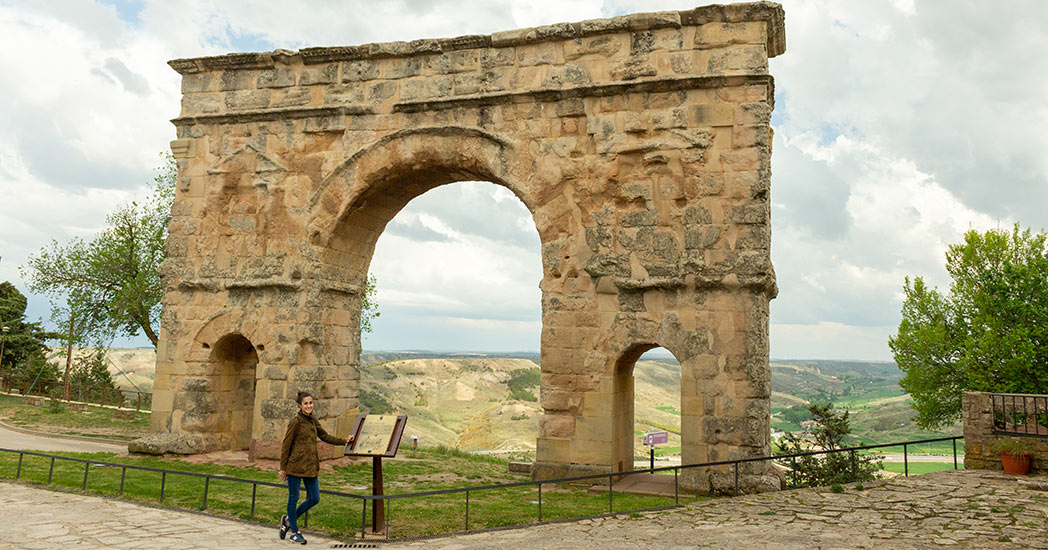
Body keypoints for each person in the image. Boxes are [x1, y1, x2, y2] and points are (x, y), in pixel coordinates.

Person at [278, 391, 352, 544]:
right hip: (295, 466)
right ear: (300, 405)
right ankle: (295, 532)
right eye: (306, 403)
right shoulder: (295, 422)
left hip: (311, 467)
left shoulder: (313, 421)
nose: (309, 406)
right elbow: (286, 445)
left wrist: (344, 441)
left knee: (314, 498)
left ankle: (288, 520)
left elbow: (324, 436)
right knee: (294, 498)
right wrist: (283, 468)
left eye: (310, 403)